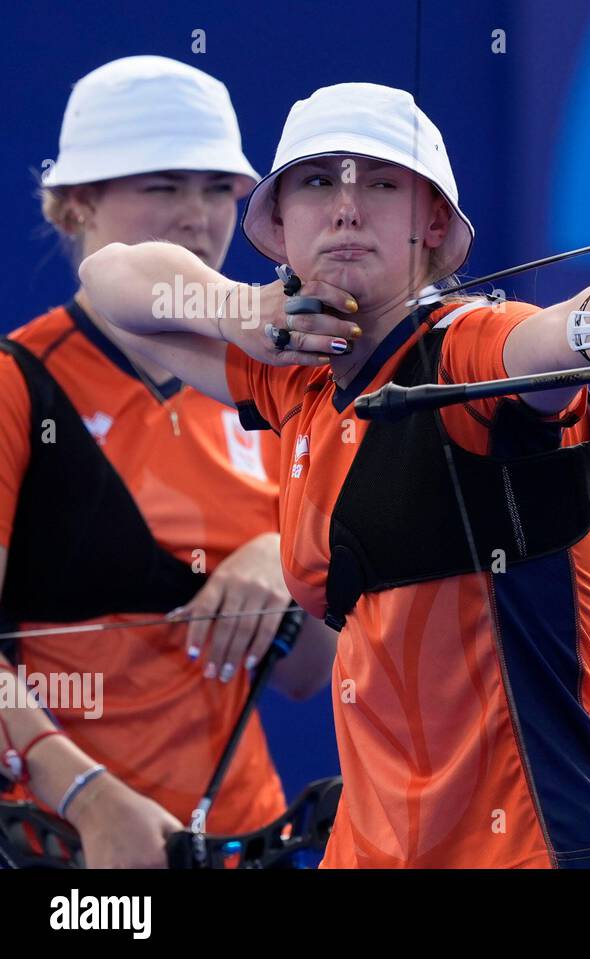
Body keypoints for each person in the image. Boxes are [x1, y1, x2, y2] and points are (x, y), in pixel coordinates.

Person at [80, 82, 590, 867]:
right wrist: (240, 309)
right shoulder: (294, 379)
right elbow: (112, 279)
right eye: (316, 181)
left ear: (433, 220)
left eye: (379, 181)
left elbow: (552, 338)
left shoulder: (469, 351)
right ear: (281, 228)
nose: (345, 206)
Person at [0, 56, 336, 869]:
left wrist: (284, 561)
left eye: (221, 187)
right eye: (163, 185)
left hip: (237, 837)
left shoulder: (268, 386)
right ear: (76, 201)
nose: (198, 215)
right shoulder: (19, 383)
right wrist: (91, 798)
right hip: (65, 848)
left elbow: (306, 673)